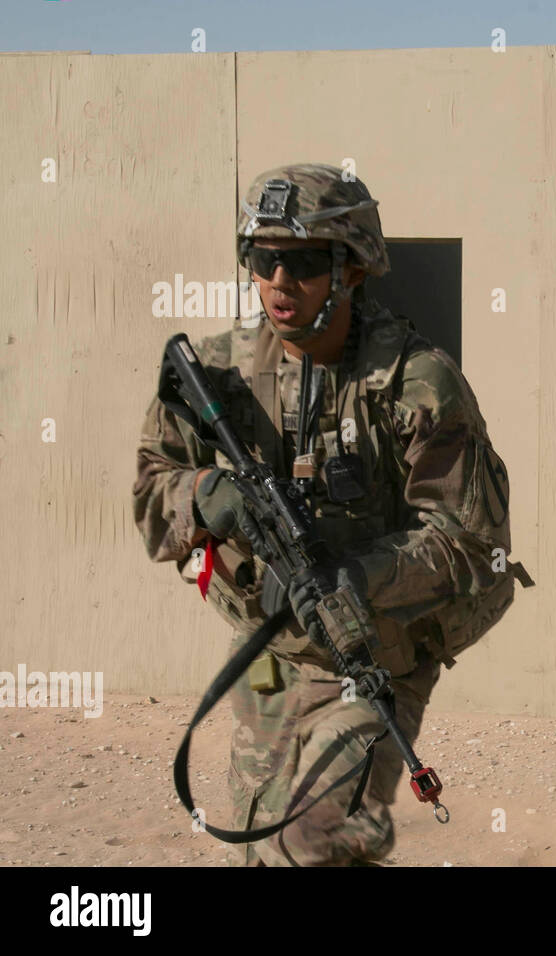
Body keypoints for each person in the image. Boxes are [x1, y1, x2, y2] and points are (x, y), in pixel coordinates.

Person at [133, 163, 522, 864]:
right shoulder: (218, 371)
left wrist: (351, 577)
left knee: (310, 842)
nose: (280, 281)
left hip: (377, 653)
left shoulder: (414, 380)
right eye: (263, 260)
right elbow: (149, 499)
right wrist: (205, 497)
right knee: (255, 847)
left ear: (352, 271)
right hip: (270, 656)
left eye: (305, 262)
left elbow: (472, 543)